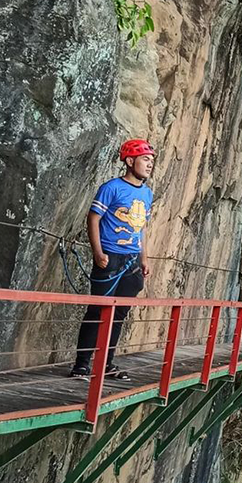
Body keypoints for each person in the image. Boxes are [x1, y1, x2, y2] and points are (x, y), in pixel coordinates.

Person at [70, 139, 155, 380]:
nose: (150, 165)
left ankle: (106, 363)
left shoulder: (147, 193)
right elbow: (93, 218)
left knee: (118, 315)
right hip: (110, 256)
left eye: (151, 160)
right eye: (145, 159)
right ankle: (82, 364)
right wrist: (97, 252)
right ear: (130, 161)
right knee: (97, 311)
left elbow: (142, 228)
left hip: (132, 260)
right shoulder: (112, 188)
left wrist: (144, 258)